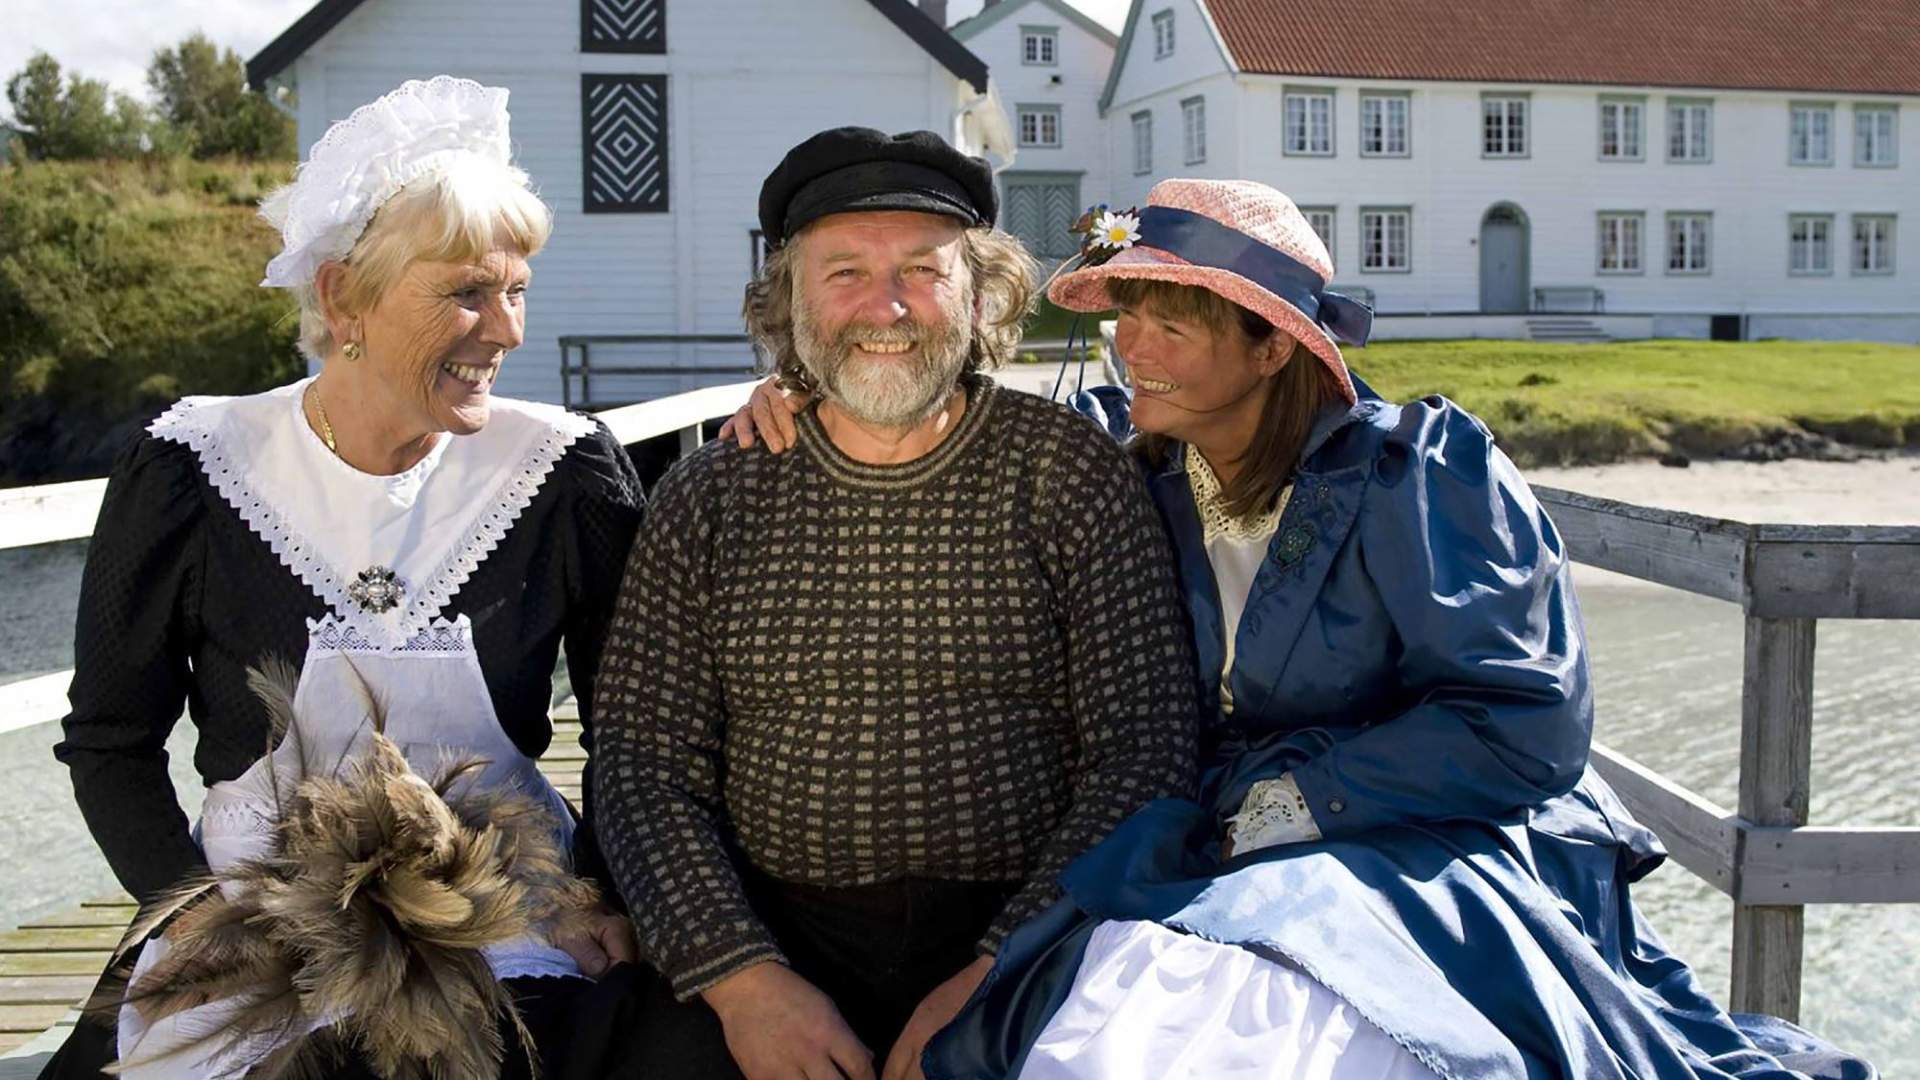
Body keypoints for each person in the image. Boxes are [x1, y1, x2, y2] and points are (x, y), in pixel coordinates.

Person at [726, 180, 1878, 1080]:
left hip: (1413, 840)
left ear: (1274, 346)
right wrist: (795, 395)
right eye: (1127, 318)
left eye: (1171, 323)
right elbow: (940, 426)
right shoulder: (1139, 473)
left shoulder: (1413, 475)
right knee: (1088, 1011)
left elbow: (1524, 726)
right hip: (1198, 833)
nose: (1134, 349)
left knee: (1257, 1010)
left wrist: (1293, 805)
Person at [41, 77, 644, 1079]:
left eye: (518, 289)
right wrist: (190, 911)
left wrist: (599, 889)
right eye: (467, 291)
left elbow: (636, 733)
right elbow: (109, 741)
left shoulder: (563, 473)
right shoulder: (194, 467)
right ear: (341, 297)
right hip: (249, 907)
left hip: (504, 907)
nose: (509, 330)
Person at [589, 126, 1199, 1080]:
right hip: (769, 932)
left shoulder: (1065, 472)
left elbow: (1145, 747)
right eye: (843, 274)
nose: (887, 306)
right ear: (789, 301)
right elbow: (642, 763)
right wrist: (742, 981)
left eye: (924, 268)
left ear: (980, 292)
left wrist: (1002, 968)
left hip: (1025, 929)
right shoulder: (711, 493)